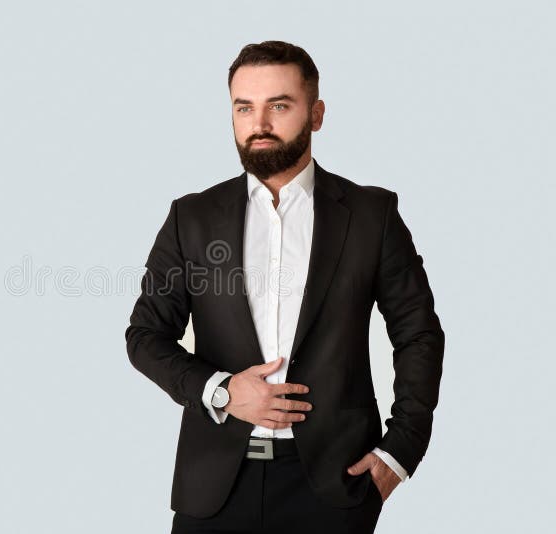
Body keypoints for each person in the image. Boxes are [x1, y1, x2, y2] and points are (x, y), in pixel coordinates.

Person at [125, 40, 444, 534]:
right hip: (213, 486)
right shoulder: (192, 218)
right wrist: (224, 391)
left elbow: (418, 333)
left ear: (316, 114)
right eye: (244, 107)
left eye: (279, 105)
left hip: (336, 487)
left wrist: (400, 450)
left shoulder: (371, 216)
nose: (260, 124)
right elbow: (145, 336)